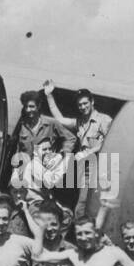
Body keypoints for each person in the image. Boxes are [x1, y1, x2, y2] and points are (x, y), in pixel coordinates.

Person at [42, 80, 112, 222]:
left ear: (92, 102)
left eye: (85, 103)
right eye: (80, 105)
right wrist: (49, 95)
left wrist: (88, 152)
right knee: (78, 204)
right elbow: (60, 119)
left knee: (82, 209)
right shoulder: (80, 122)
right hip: (84, 170)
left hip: (99, 169)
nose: (82, 107)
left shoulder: (104, 120)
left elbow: (109, 141)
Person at [14, 90, 73, 159]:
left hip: (46, 167)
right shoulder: (23, 126)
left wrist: (62, 154)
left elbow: (70, 138)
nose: (28, 110)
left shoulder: (51, 123)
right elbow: (19, 150)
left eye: (31, 106)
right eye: (26, 107)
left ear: (38, 106)